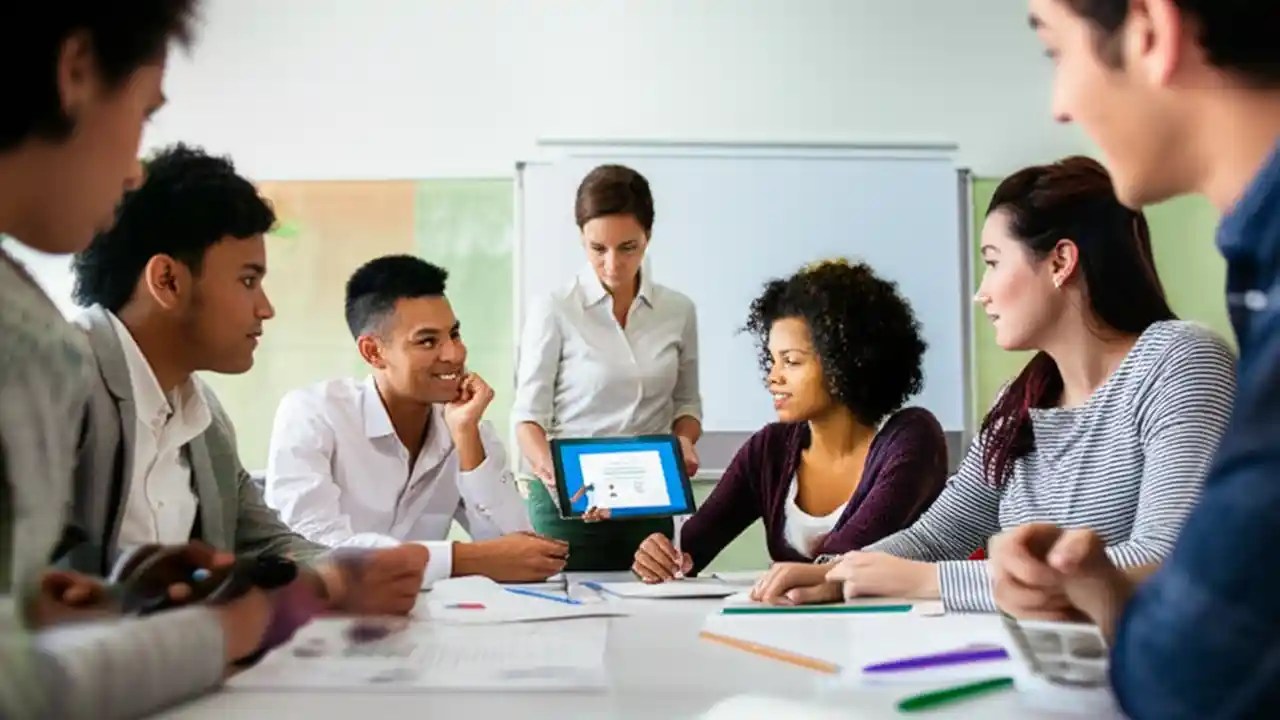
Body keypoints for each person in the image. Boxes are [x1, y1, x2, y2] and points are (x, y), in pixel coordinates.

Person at [752, 156, 1237, 613]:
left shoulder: (1180, 359)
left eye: (993, 261)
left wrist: (932, 581)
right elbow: (936, 537)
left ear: (1060, 262)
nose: (980, 293)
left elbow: (1165, 559)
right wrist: (835, 573)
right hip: (1027, 658)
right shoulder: (1020, 399)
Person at [0, 5, 304, 718]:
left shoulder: (202, 417)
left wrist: (106, 599)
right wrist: (222, 633)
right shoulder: (38, 350)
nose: (134, 169)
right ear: (76, 72)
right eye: (144, 112)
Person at [990, 1, 1280, 716]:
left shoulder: (1187, 352)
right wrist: (1108, 592)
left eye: (1056, 52)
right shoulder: (1256, 269)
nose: (1059, 106)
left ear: (1151, 32)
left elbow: (1199, 676)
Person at [65, 144, 426, 616]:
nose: (266, 308)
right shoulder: (56, 384)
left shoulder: (201, 416)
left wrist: (352, 574)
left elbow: (266, 544)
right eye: (248, 280)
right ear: (168, 281)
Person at [630, 259, 948, 582]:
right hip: (794, 615)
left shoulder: (911, 438)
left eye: (791, 361)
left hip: (898, 615)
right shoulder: (770, 449)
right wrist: (661, 556)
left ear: (847, 362)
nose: (773, 377)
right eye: (772, 360)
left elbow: (845, 563)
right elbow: (689, 550)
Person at [266, 255, 568, 585]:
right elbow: (314, 553)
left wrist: (466, 437)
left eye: (454, 334)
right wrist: (462, 559)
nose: (454, 354)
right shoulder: (313, 415)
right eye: (427, 341)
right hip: (327, 615)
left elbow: (524, 554)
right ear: (373, 352)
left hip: (426, 614)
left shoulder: (466, 425)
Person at [513, 164, 702, 570]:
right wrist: (555, 474)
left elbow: (687, 405)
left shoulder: (678, 310)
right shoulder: (554, 308)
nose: (613, 264)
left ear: (648, 236)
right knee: (564, 607)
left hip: (648, 503)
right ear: (581, 238)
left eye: (628, 247)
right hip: (570, 506)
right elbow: (528, 418)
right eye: (598, 249)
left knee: (649, 606)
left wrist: (684, 441)